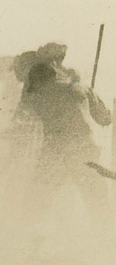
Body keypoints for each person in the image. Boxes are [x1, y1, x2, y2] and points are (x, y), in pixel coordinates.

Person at [20, 62, 113, 219]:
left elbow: (26, 111)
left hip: (56, 152)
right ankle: (104, 237)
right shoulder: (80, 87)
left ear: (36, 81)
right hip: (85, 150)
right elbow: (105, 119)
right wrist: (86, 93)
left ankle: (23, 233)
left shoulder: (37, 95)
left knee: (35, 199)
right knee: (99, 203)